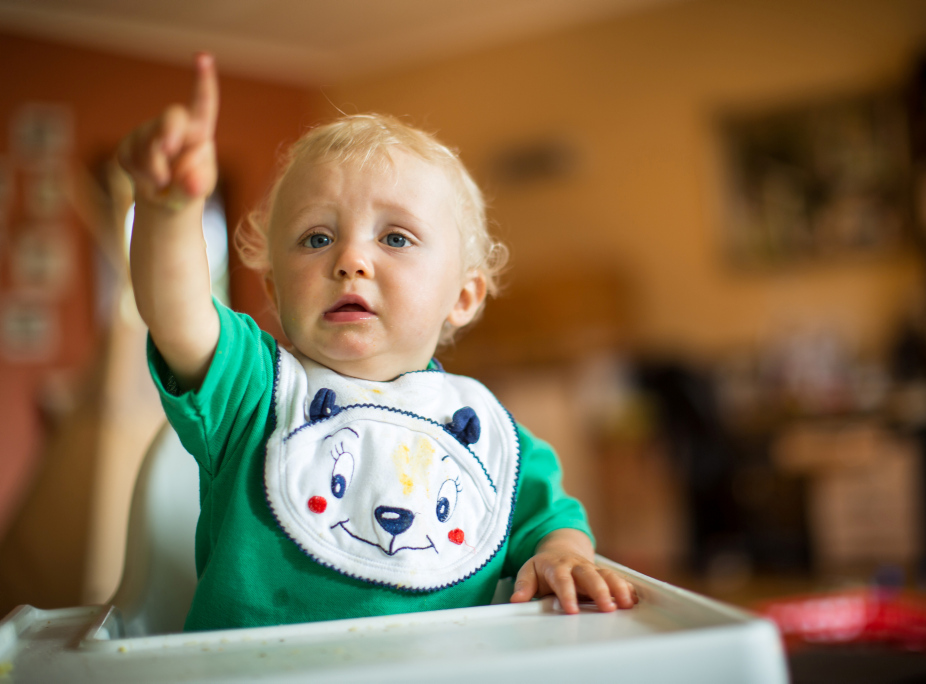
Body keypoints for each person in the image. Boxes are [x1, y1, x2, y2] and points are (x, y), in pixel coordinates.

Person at [119, 53, 636, 632]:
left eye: (395, 237)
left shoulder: (489, 429)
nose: (351, 260)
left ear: (463, 298)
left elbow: (550, 521)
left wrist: (562, 554)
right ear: (274, 288)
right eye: (316, 238)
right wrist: (168, 211)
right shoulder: (252, 390)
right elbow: (177, 312)